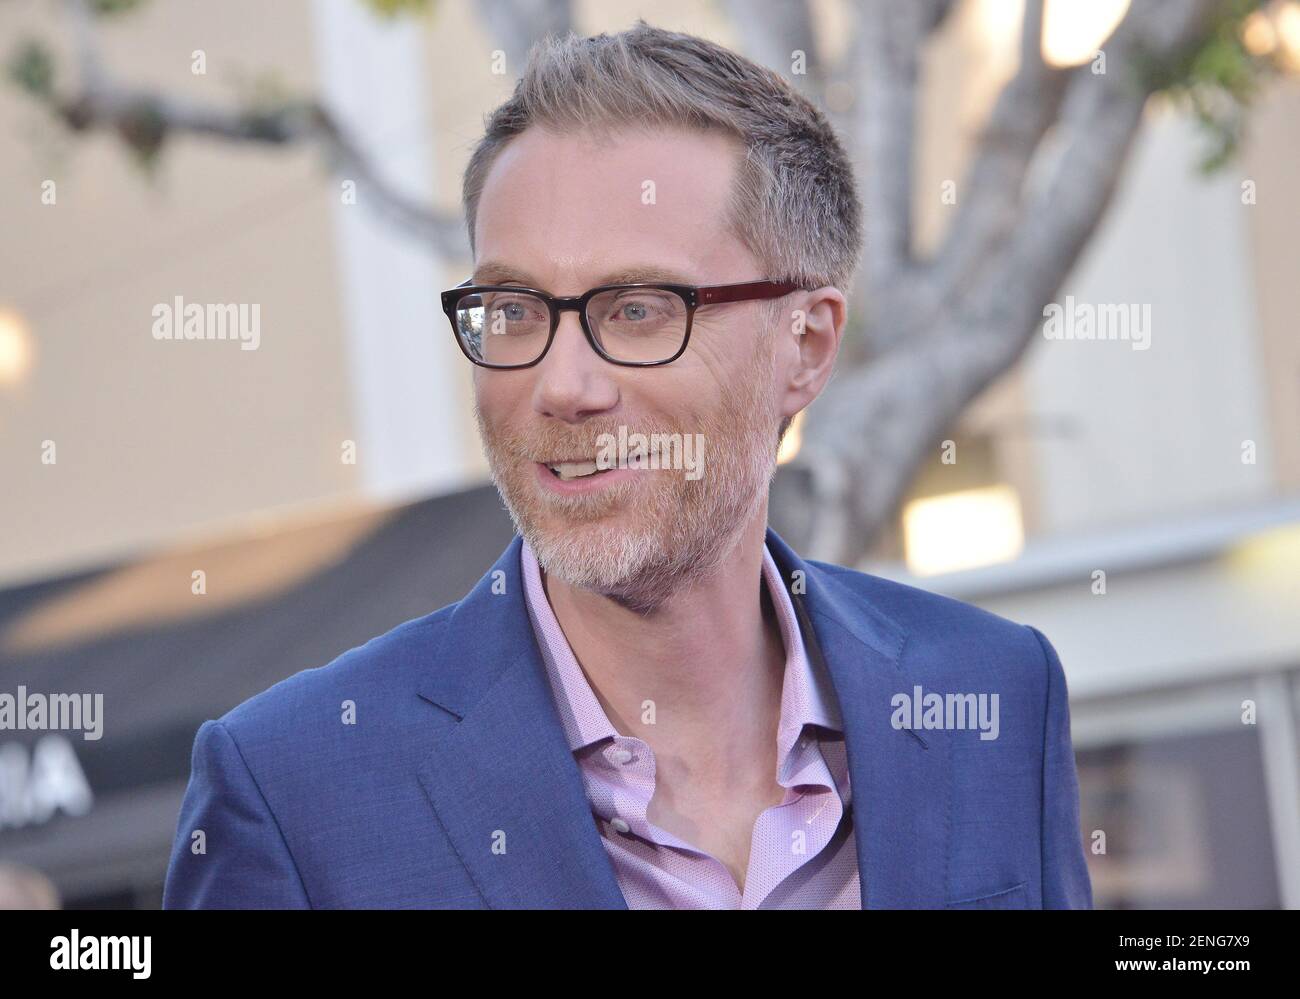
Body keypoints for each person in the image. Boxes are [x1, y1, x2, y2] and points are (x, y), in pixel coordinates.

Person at [163, 21, 1092, 910]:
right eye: (515, 310)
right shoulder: (298, 792)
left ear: (805, 345)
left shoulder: (993, 695)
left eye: (639, 310)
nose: (562, 385)